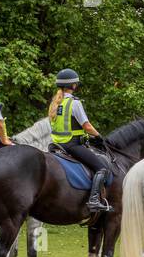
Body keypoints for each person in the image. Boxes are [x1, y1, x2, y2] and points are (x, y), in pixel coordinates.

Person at [48, 68, 112, 212]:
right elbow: (87, 126)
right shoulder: (74, 103)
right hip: (72, 145)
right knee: (102, 167)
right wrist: (99, 136)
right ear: (73, 85)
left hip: (56, 144)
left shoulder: (55, 102)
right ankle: (94, 200)